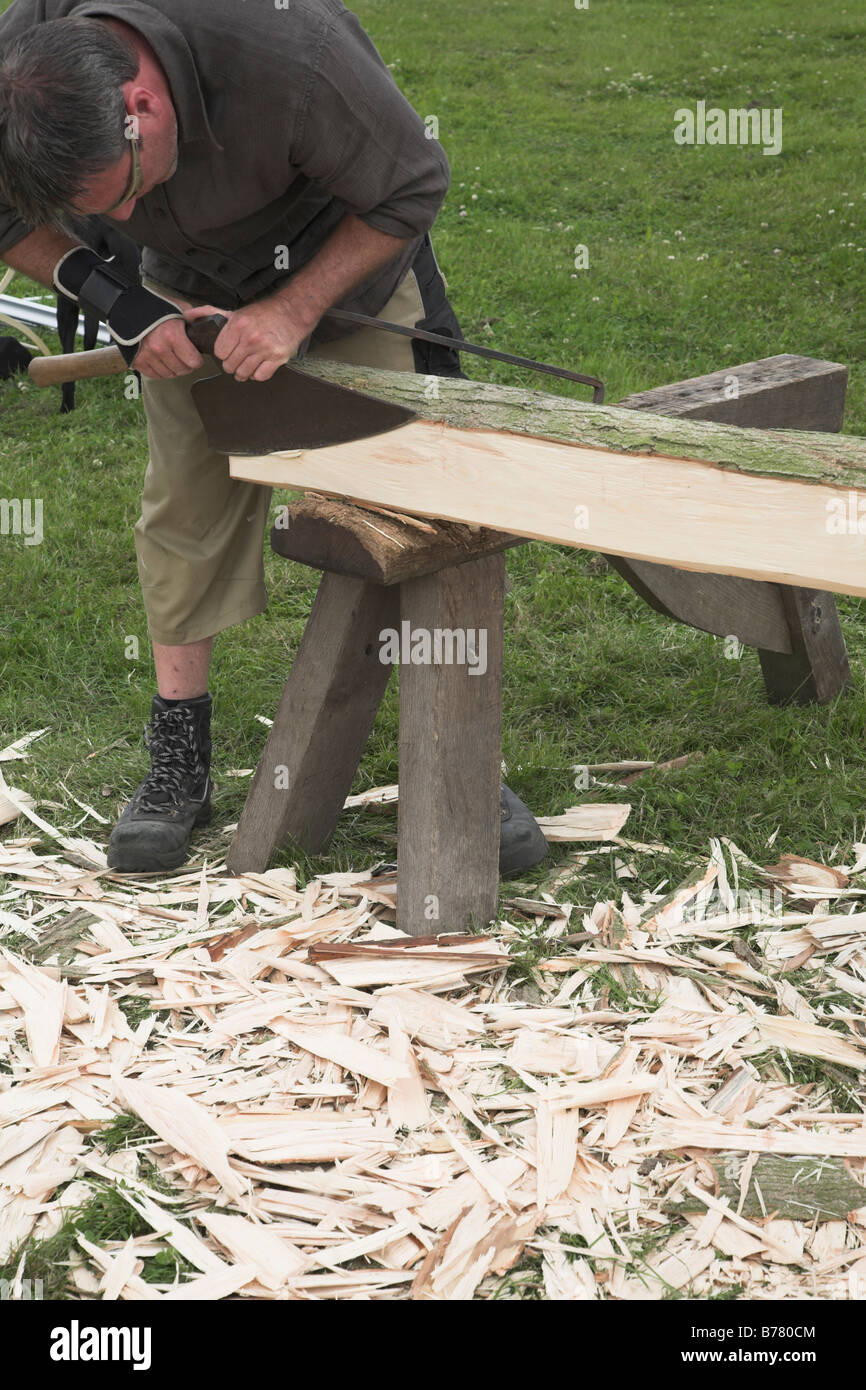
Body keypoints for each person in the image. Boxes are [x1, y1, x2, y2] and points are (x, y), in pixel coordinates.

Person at [0, 1, 548, 878]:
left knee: (414, 510)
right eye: (112, 209)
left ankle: (456, 753)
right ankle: (179, 756)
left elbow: (411, 183)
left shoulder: (295, 54)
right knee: (184, 503)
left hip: (347, 258)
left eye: (128, 190)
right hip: (181, 287)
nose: (137, 208)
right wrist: (125, 304)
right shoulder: (21, 72)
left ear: (141, 104)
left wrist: (293, 310)